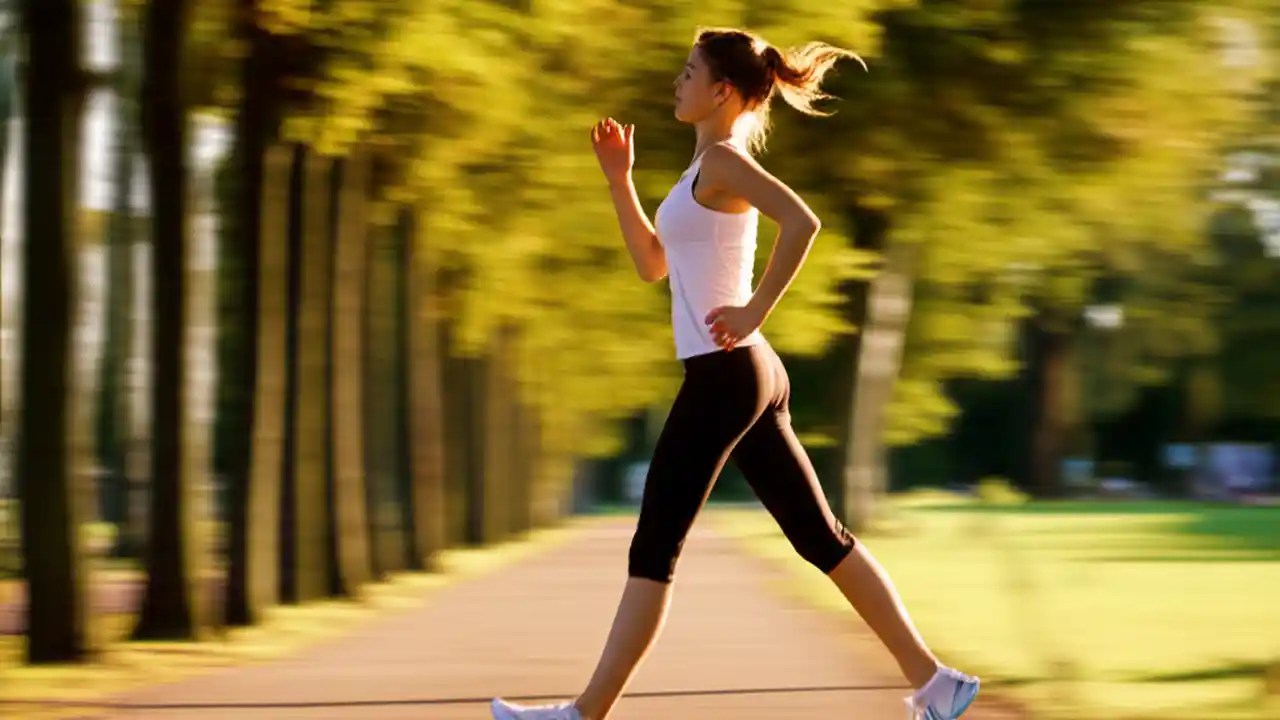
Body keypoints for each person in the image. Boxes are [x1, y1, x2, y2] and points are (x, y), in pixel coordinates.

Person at [491, 26, 979, 720]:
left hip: (725, 374)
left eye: (689, 72)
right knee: (820, 537)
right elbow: (653, 265)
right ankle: (936, 682)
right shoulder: (700, 170)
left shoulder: (723, 161)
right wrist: (619, 181)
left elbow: (801, 222)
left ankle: (584, 714)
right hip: (745, 372)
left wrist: (753, 309)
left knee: (655, 545)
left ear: (721, 91)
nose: (677, 81)